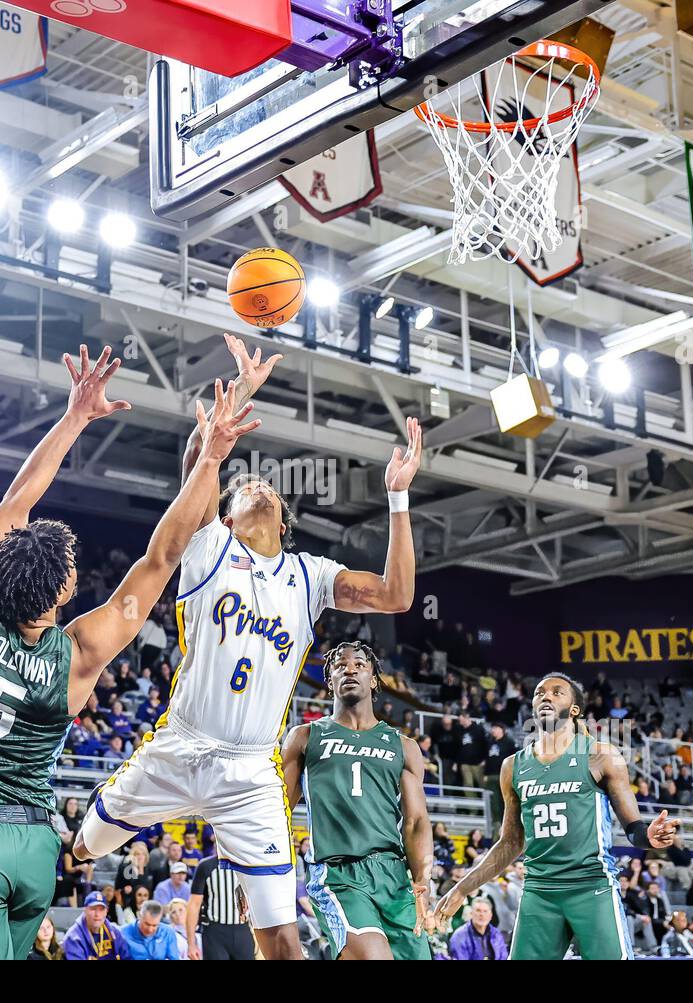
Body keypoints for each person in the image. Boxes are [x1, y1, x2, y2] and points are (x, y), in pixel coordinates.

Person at [75, 334, 422, 961]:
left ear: (283, 521)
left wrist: (397, 497)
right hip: (177, 747)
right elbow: (195, 474)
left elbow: (397, 595)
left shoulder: (310, 576)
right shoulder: (210, 548)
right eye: (240, 487)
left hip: (252, 773)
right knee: (81, 847)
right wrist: (229, 411)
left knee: (283, 940)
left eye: (268, 489)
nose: (256, 485)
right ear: (227, 515)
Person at [0, 348, 259, 961]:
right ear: (64, 590)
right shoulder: (79, 653)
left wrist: (75, 416)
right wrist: (210, 460)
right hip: (33, 850)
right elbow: (161, 559)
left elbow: (13, 504)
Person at [434, 673, 678, 959]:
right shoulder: (512, 766)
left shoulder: (600, 756)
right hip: (539, 891)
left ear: (575, 709)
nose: (545, 696)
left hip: (591, 885)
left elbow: (634, 828)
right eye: (540, 693)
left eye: (557, 692)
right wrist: (463, 889)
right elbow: (510, 842)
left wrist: (648, 837)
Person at [280, 641, 431, 960]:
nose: (349, 669)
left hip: (393, 877)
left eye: (359, 665)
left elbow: (416, 820)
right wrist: (255, 873)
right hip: (337, 872)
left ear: (374, 678)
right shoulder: (306, 737)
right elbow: (278, 813)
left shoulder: (403, 746)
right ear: (329, 679)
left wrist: (422, 880)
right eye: (339, 665)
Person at [187, 850, 253, 961]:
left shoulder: (249, 865)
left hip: (243, 930)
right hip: (214, 932)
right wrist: (191, 944)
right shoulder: (206, 866)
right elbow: (194, 905)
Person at [62, 890, 127, 960]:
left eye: (101, 910)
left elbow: (127, 956)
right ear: (85, 910)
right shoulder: (73, 938)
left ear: (106, 911)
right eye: (93, 909)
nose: (97, 914)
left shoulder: (114, 932)